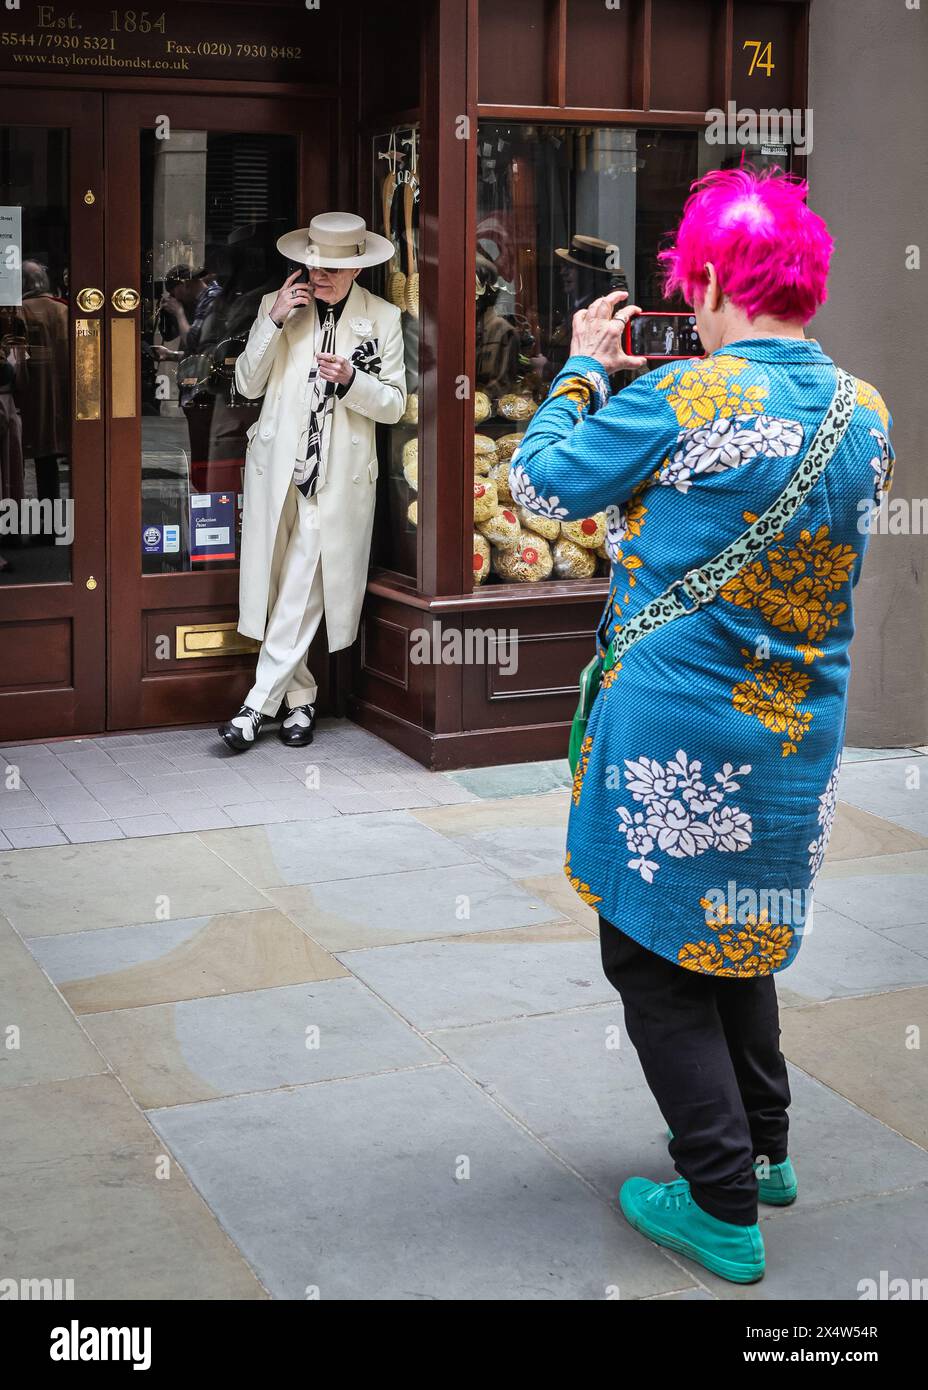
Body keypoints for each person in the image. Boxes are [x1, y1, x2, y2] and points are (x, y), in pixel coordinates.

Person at [510, 167, 894, 1284]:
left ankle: (721, 1199)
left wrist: (586, 364)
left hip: (675, 728)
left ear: (711, 279)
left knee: (651, 957)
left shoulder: (683, 396)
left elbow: (538, 489)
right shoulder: (866, 409)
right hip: (791, 733)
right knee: (731, 933)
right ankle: (765, 1148)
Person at [218, 212, 406, 752]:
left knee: (303, 585)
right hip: (277, 472)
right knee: (280, 588)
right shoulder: (281, 308)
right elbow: (246, 384)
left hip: (337, 480)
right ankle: (300, 702)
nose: (315, 275)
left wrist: (353, 381)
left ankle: (256, 706)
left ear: (354, 270)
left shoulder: (384, 318)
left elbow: (394, 406)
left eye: (328, 269)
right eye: (311, 264)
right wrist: (272, 319)